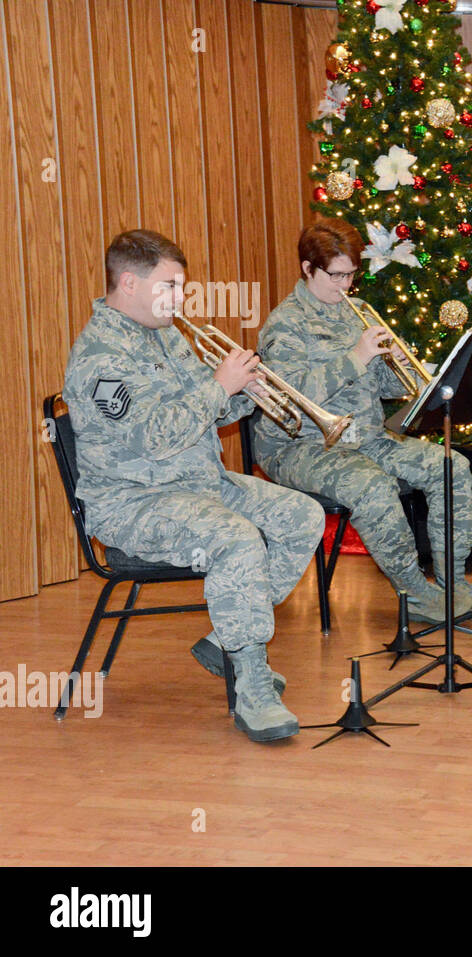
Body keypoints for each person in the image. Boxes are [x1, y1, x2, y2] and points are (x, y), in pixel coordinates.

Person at [64, 230, 324, 743]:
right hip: (133, 501)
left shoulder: (162, 333)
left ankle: (225, 640)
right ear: (130, 282)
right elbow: (155, 437)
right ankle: (251, 685)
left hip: (199, 483)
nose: (180, 299)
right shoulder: (99, 358)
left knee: (304, 516)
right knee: (238, 538)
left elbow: (204, 413)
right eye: (170, 286)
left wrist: (247, 393)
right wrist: (218, 385)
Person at [253, 219, 472, 626]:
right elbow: (289, 397)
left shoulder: (356, 312)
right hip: (300, 445)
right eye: (336, 275)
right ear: (308, 269)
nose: (345, 284)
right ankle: (414, 593)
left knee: (451, 467)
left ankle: (452, 582)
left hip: (366, 436)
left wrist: (394, 362)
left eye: (351, 273)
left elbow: (388, 386)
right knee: (372, 486)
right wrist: (355, 357)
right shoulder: (285, 324)